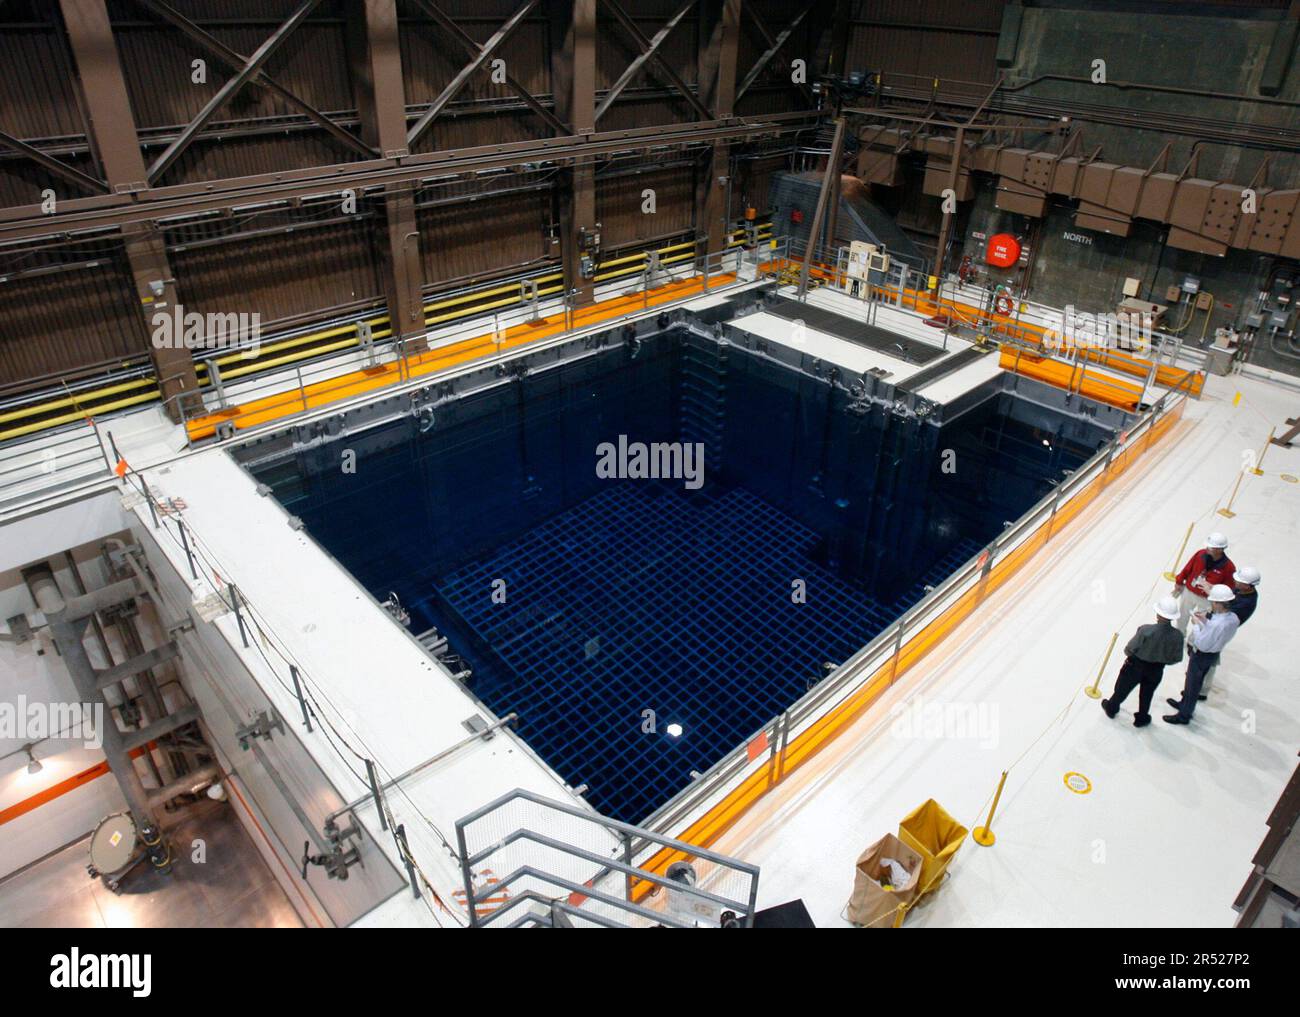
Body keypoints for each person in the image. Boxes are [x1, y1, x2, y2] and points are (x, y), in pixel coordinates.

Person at [1101, 596, 1184, 727]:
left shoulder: (1146, 630)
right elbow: (1176, 658)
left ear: (1158, 613)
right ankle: (1142, 717)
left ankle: (1112, 708)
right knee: (1147, 694)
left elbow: (1129, 649)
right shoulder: (1178, 636)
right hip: (1156, 670)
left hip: (1135, 666)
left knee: (1122, 689)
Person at [1164, 584, 1239, 724]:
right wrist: (1206, 622)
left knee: (1193, 685)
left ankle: (1184, 715)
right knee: (1193, 683)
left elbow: (1202, 643)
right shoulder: (1233, 618)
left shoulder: (1217, 624)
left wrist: (1197, 624)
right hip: (1213, 653)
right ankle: (1184, 704)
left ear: (1218, 603)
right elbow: (1215, 634)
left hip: (1202, 655)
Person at [1199, 565, 1260, 698]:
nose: (1236, 582)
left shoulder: (1246, 603)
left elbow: (1225, 614)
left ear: (1248, 586)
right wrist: (1213, 590)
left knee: (1210, 656)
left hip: (1221, 629)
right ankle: (1200, 685)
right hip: (1217, 623)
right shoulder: (1241, 591)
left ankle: (1203, 689)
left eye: (1240, 582)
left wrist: (1206, 617)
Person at [1172, 531, 1235, 633]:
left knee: (1201, 622)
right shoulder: (1200, 554)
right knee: (1182, 615)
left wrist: (1214, 591)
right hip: (1189, 591)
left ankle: (1193, 642)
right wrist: (1179, 581)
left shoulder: (1228, 567)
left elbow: (1229, 588)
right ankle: (1179, 634)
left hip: (1207, 599)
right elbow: (1188, 568)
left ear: (1220, 549)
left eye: (1211, 547)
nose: (1207, 549)